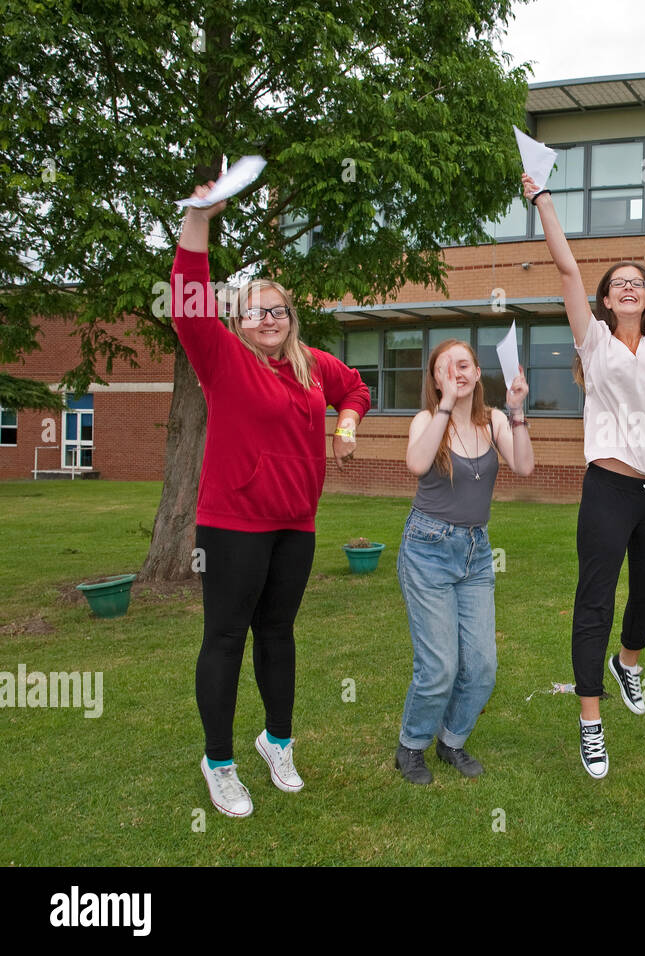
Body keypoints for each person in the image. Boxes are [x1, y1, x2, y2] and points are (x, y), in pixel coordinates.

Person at [174, 182, 372, 818]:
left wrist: (344, 428)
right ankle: (219, 760)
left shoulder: (313, 364)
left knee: (279, 633)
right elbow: (186, 300)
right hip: (233, 523)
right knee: (226, 637)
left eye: (278, 310)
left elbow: (357, 390)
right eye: (255, 310)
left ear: (290, 318)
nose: (267, 318)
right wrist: (199, 218)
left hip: (297, 523)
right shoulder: (225, 358)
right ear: (238, 320)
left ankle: (277, 743)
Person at [523, 166, 645, 779]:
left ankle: (630, 663)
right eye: (617, 284)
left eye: (636, 284)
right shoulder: (591, 341)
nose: (628, 288)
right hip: (607, 488)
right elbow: (567, 269)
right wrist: (543, 199)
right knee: (594, 600)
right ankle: (590, 723)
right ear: (604, 299)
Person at [393, 340, 533, 784]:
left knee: (483, 665)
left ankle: (451, 741)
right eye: (444, 367)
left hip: (474, 553)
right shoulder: (424, 419)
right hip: (427, 549)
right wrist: (444, 408)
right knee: (439, 668)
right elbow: (416, 463)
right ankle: (411, 746)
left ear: (477, 373)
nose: (455, 371)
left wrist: (516, 410)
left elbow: (525, 466)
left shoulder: (493, 421)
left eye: (464, 364)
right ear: (435, 380)